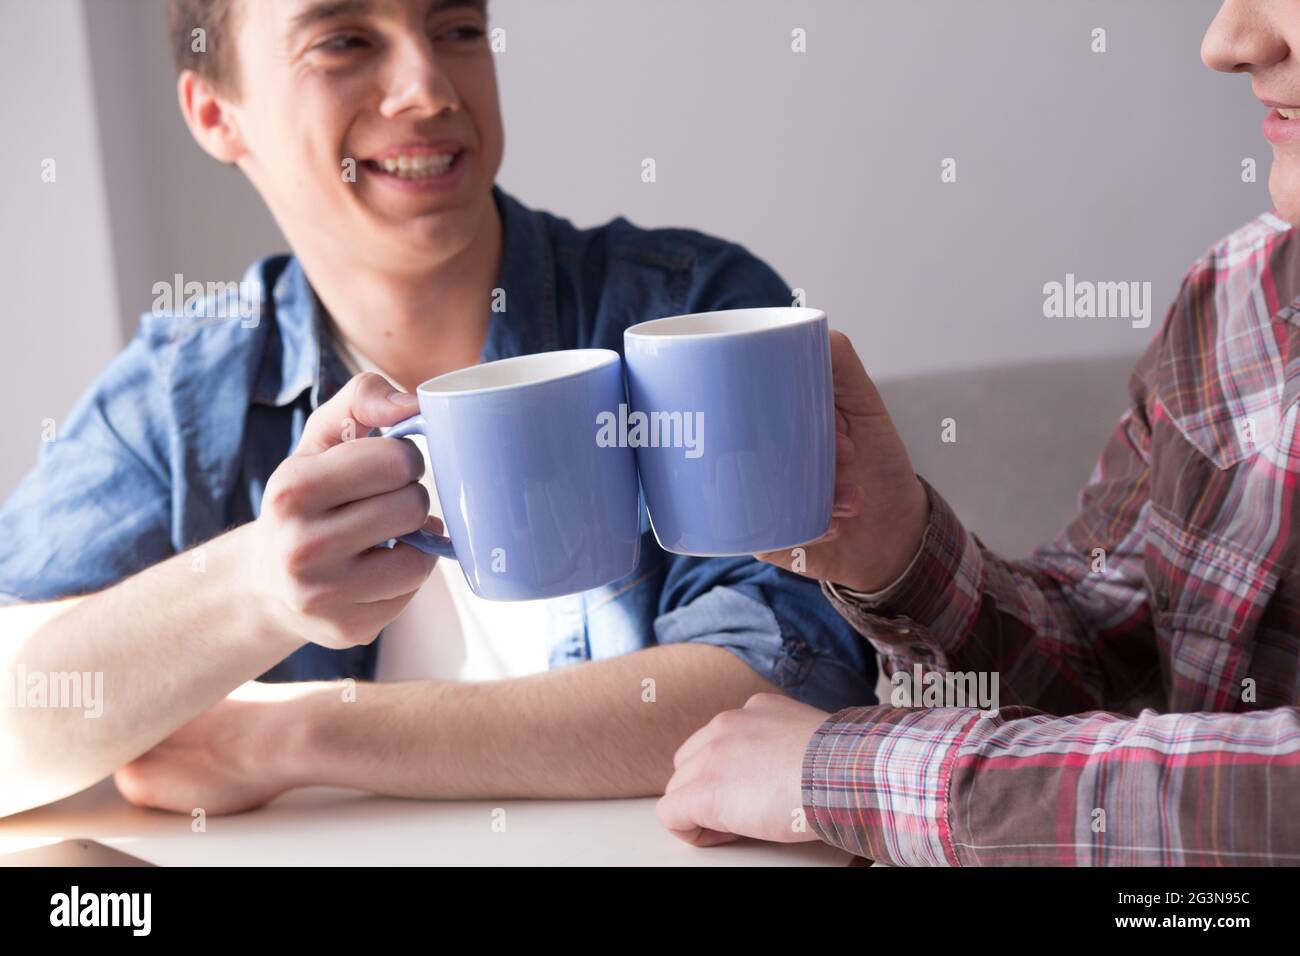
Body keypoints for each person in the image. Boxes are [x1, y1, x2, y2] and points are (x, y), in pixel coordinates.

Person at [0, 0, 872, 819]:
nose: (430, 88)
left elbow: (787, 683)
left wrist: (298, 733)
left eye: (456, 27)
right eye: (345, 40)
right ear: (215, 113)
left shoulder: (693, 317)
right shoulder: (181, 392)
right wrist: (256, 590)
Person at [658, 0, 1300, 866]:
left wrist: (854, 773)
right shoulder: (1235, 296)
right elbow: (1097, 672)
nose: (1229, 43)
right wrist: (898, 552)